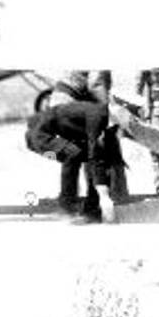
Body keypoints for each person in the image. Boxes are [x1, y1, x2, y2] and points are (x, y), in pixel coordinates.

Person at [25, 100, 125, 225]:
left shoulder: (110, 122)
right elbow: (94, 154)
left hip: (54, 134)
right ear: (120, 110)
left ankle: (92, 210)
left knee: (95, 157)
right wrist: (104, 196)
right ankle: (67, 208)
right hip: (40, 137)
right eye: (132, 115)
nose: (132, 120)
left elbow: (103, 156)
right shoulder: (98, 116)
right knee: (73, 154)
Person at [46, 70, 114, 212]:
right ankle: (92, 206)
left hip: (58, 104)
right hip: (70, 104)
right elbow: (96, 86)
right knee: (94, 154)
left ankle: (67, 202)